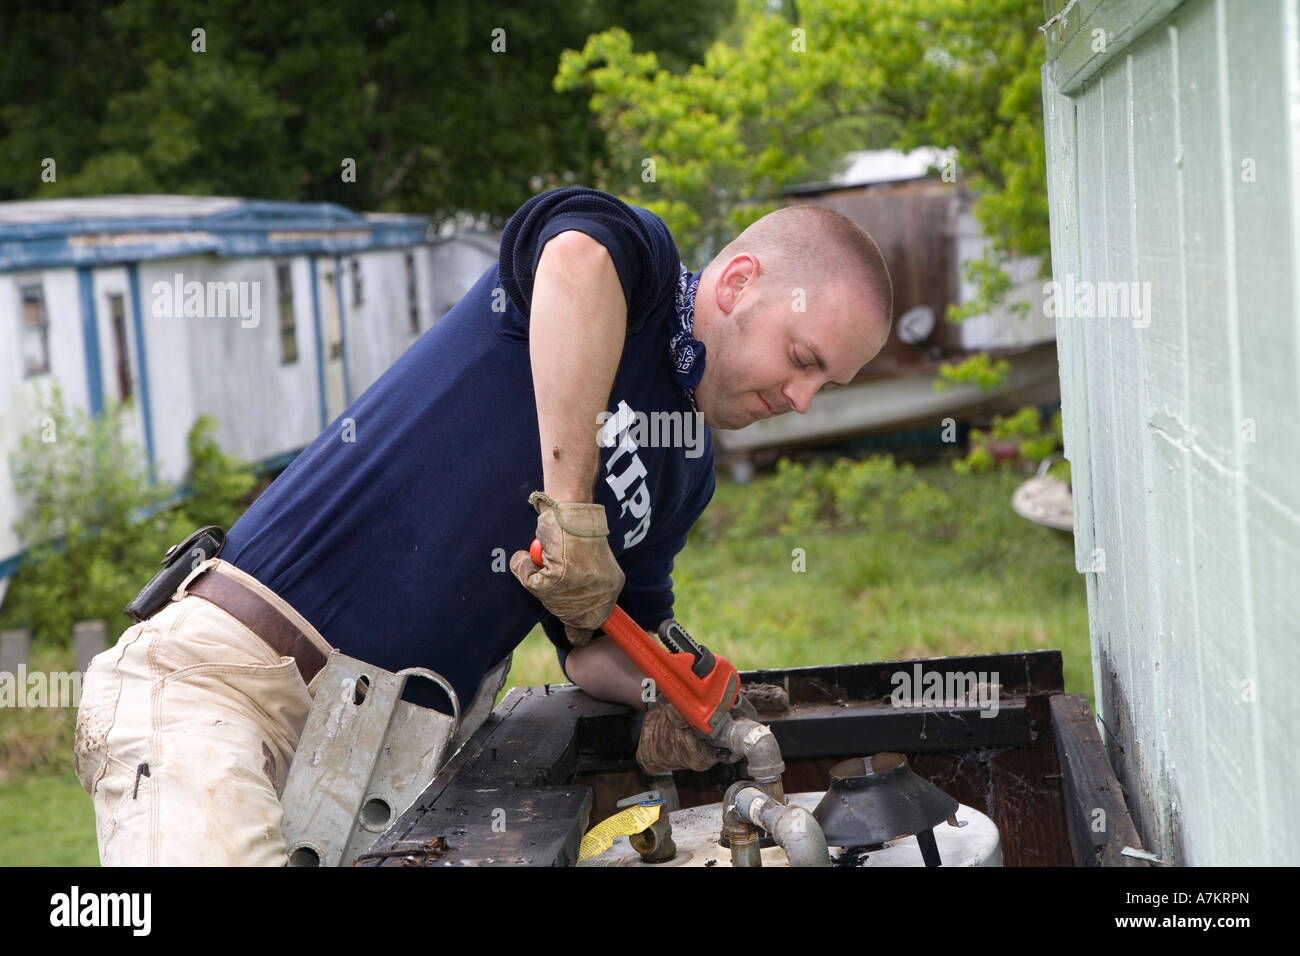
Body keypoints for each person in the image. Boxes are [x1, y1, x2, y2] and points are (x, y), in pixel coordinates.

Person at [74, 186, 893, 865]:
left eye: (829, 384)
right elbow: (576, 260)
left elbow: (600, 640)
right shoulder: (635, 268)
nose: (802, 400)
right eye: (804, 358)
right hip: (226, 684)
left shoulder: (686, 470)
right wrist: (572, 510)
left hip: (381, 769)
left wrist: (671, 693)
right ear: (739, 281)